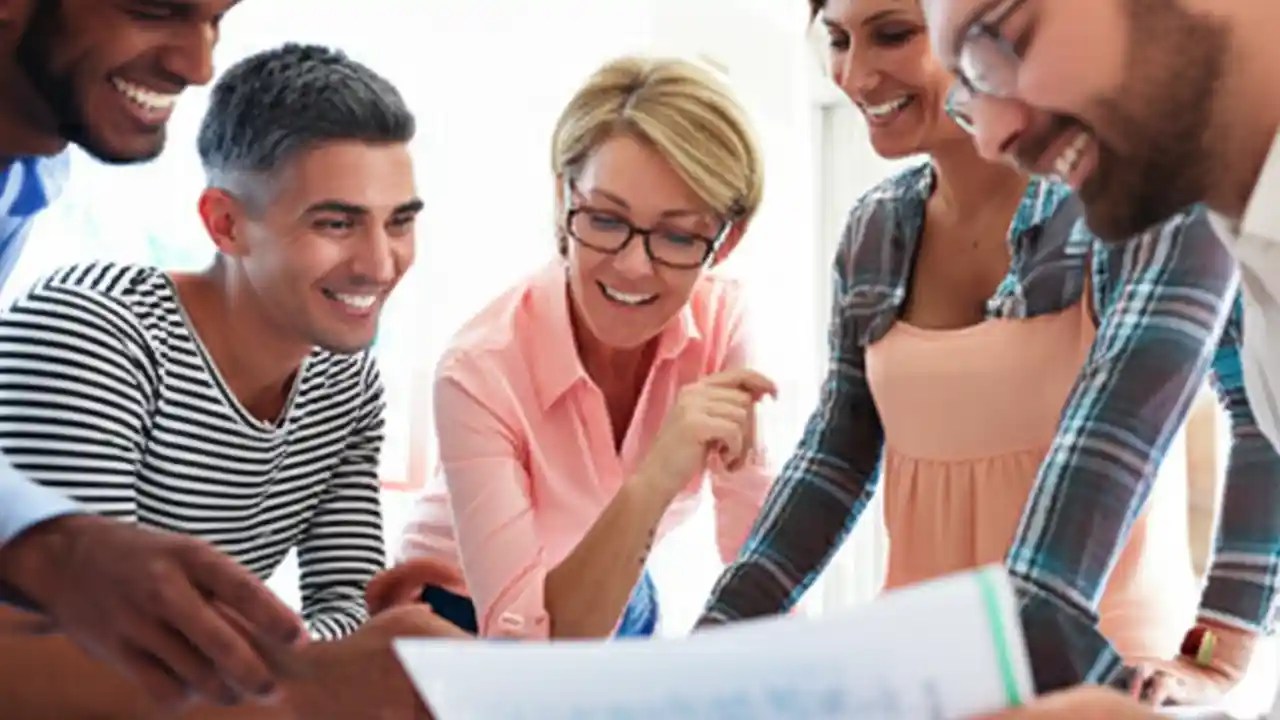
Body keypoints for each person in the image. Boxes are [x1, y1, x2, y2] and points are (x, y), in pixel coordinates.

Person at [695, 0, 1278, 708]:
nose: (853, 74)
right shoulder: (873, 231)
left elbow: (1251, 420)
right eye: (838, 40)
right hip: (926, 668)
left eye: (895, 34)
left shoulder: (1132, 202)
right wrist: (707, 651)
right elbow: (834, 457)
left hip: (1101, 671)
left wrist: (1216, 645)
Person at [0, 42, 457, 719]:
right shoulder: (97, 333)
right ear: (225, 223)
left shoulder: (344, 381)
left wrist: (342, 647)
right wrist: (316, 668)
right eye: (336, 223)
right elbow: (85, 656)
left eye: (399, 222)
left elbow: (350, 612)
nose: (379, 264)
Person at [917, 0, 1280, 715]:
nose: (992, 135)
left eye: (1005, 42)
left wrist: (1215, 646)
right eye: (969, 86)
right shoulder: (1251, 247)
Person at [368, 55, 776, 640]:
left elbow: (759, 556)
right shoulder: (479, 370)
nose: (633, 267)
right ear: (563, 198)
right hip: (462, 608)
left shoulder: (724, 322)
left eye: (679, 235)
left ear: (726, 239)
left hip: (621, 587)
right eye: (606, 220)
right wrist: (656, 473)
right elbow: (525, 642)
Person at [0, 0, 312, 710]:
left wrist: (50, 544)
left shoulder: (31, 176)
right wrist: (306, 695)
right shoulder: (94, 324)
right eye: (153, 10)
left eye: (217, 19)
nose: (199, 66)